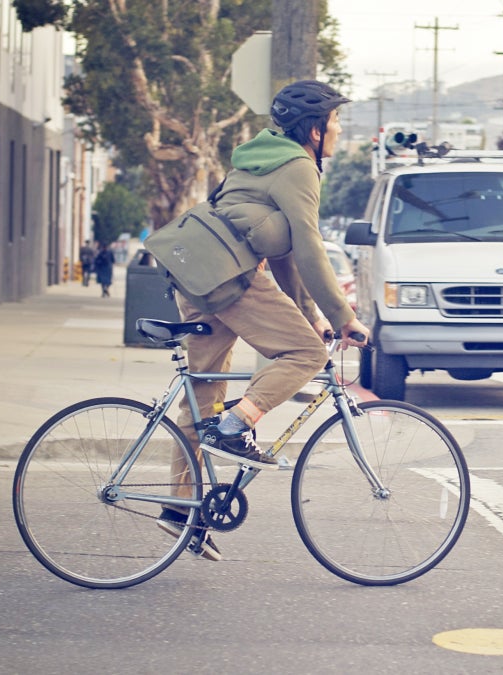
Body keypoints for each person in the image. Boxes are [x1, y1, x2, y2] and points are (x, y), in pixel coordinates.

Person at [161, 80, 369, 560]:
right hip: (230, 278)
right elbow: (311, 248)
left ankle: (178, 508)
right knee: (307, 354)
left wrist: (310, 312)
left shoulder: (257, 157)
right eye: (335, 120)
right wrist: (343, 317)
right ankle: (237, 426)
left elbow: (285, 252)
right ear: (314, 130)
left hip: (196, 273)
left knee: (202, 393)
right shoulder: (299, 168)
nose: (338, 129)